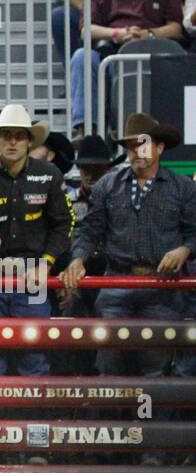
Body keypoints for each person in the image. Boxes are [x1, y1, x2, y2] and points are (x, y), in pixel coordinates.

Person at [60, 113, 196, 376]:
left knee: (155, 367)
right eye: (131, 146)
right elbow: (89, 230)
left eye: (143, 144)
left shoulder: (182, 188)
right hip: (119, 283)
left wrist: (184, 249)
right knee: (111, 366)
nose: (137, 151)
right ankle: (119, 417)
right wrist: (78, 259)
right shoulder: (107, 186)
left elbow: (194, 232)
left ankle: (144, 417)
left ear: (160, 147)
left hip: (161, 287)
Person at [0, 104, 73, 377]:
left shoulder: (49, 175)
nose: (12, 141)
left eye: (19, 135)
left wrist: (46, 263)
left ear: (29, 140)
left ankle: (33, 420)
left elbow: (65, 223)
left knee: (34, 354)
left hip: (33, 271)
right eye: (6, 135)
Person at [70, 0, 183, 137]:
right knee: (82, 57)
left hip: (153, 54)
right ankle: (88, 132)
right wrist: (117, 34)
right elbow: (86, 29)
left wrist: (148, 34)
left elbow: (176, 28)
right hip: (112, 52)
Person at [68, 133, 122, 221]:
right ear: (79, 168)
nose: (91, 175)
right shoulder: (67, 201)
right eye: (86, 168)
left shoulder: (120, 201)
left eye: (97, 169)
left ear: (108, 169)